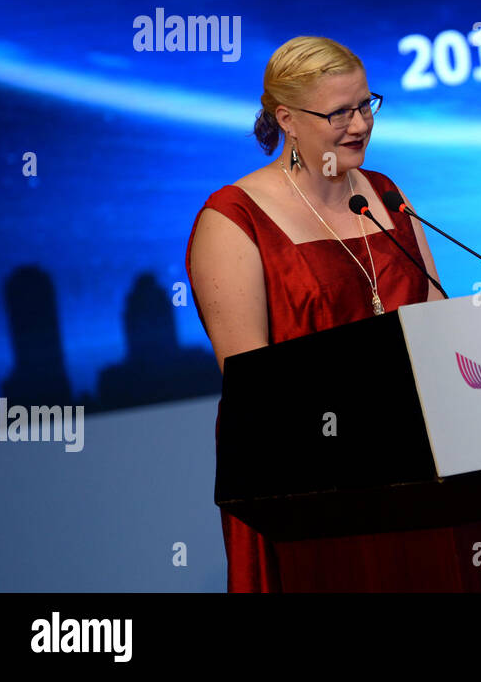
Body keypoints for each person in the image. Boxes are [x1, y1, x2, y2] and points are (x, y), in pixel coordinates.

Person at [184, 35, 444, 592]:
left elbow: (439, 323)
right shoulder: (233, 219)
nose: (360, 126)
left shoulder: (386, 195)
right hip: (305, 474)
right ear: (288, 119)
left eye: (366, 105)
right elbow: (251, 382)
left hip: (415, 460)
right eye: (339, 113)